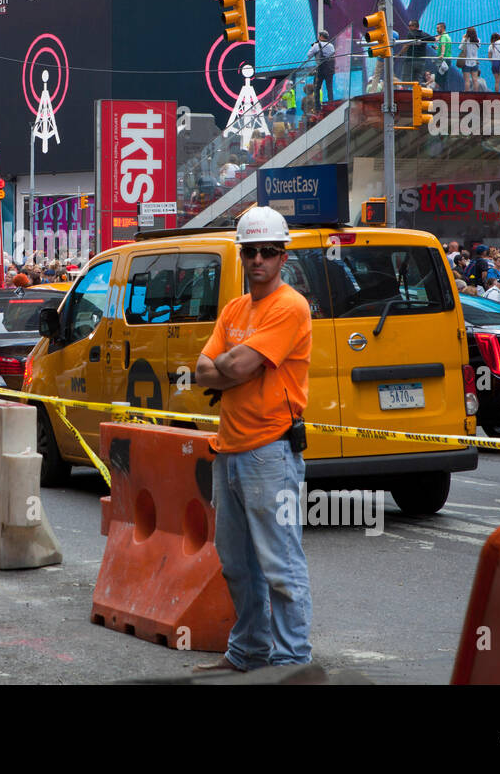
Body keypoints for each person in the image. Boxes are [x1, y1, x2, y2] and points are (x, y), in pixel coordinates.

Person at [194, 207, 313, 671]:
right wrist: (230, 366)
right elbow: (205, 368)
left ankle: (291, 664)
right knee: (237, 565)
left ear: (282, 257)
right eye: (251, 251)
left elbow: (229, 367)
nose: (259, 259)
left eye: (268, 252)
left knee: (280, 566)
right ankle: (248, 652)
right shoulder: (235, 308)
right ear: (242, 255)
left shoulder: (290, 306)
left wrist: (228, 365)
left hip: (270, 451)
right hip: (229, 451)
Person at [306, 31, 335, 104]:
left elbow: (309, 55)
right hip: (329, 69)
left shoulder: (316, 45)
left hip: (320, 69)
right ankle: (330, 102)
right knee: (329, 87)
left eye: (319, 35)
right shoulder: (331, 45)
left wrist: (313, 47)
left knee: (317, 87)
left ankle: (317, 105)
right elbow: (332, 55)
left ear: (321, 36)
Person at [458, 27, 481, 91]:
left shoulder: (465, 40)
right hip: (474, 62)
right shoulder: (478, 40)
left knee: (467, 81)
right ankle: (476, 94)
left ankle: (466, 95)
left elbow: (460, 47)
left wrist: (464, 38)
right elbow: (478, 47)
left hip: (466, 63)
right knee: (475, 80)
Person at [435, 21, 453, 90]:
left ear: (442, 28)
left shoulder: (443, 36)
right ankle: (444, 92)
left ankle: (441, 93)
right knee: (444, 78)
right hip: (448, 59)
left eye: (438, 28)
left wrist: (442, 54)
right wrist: (437, 48)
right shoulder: (448, 36)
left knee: (439, 78)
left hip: (443, 60)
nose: (436, 30)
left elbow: (443, 45)